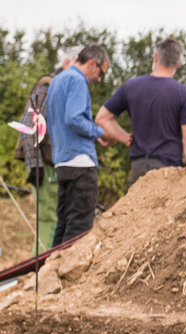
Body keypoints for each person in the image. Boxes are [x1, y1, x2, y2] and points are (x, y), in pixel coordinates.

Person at [96, 37, 186, 184]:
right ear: (178, 64)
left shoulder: (131, 86)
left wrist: (125, 138)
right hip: (168, 168)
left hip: (138, 166)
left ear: (155, 57)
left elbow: (102, 118)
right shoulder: (183, 92)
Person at [48, 44, 121, 245]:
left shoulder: (57, 80)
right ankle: (70, 266)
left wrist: (94, 135)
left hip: (62, 161)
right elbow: (74, 119)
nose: (99, 79)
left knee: (64, 224)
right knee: (79, 228)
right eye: (101, 72)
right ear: (91, 63)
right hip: (80, 163)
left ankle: (54, 263)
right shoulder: (77, 80)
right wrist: (100, 132)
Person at [12, 46, 81, 254]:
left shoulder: (64, 89)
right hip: (44, 166)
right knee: (49, 221)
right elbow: (28, 126)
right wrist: (35, 166)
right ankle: (40, 270)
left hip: (56, 165)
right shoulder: (49, 85)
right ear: (68, 63)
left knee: (57, 220)